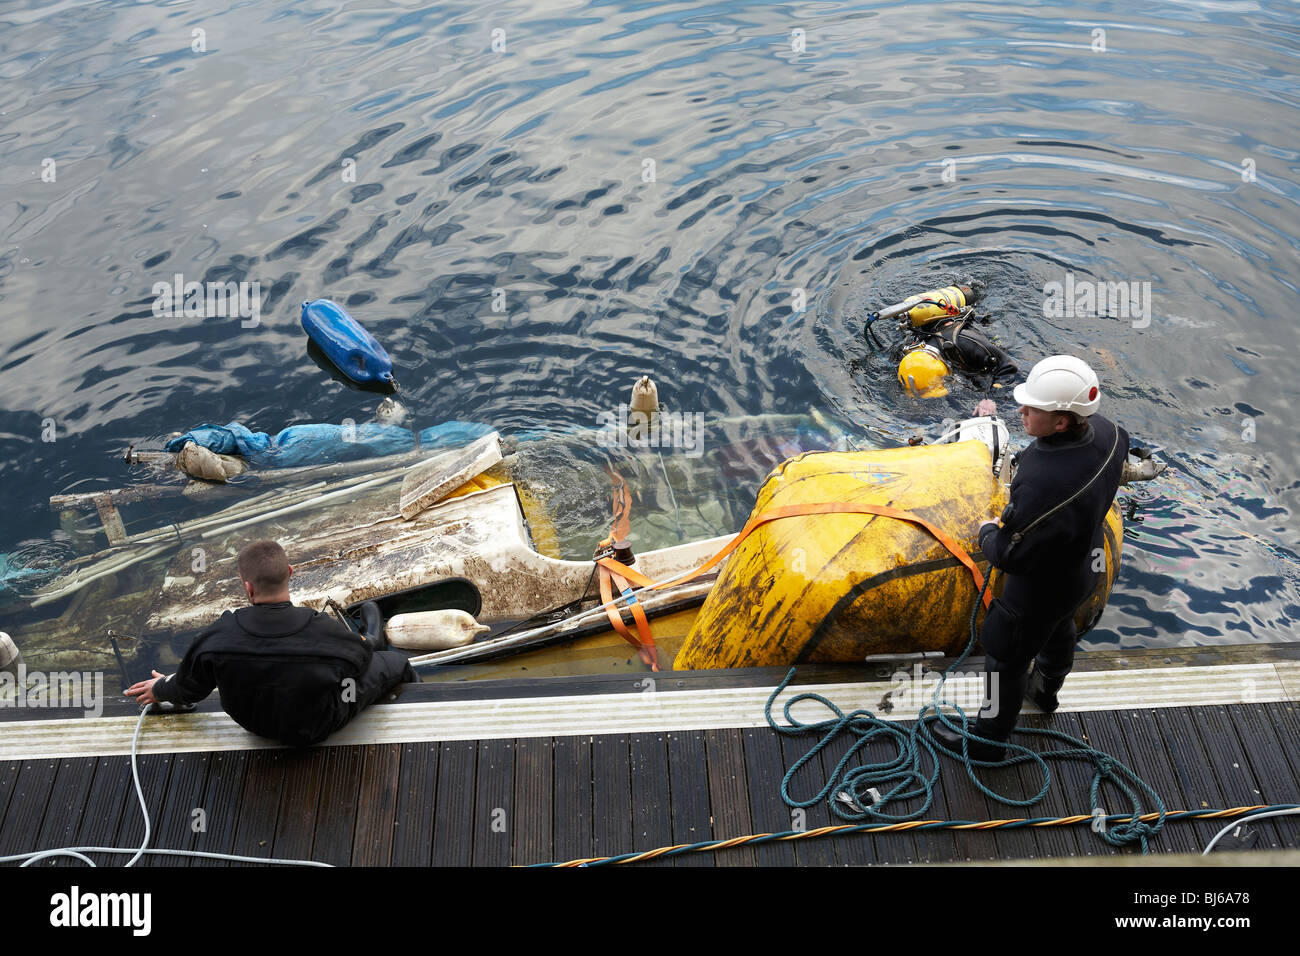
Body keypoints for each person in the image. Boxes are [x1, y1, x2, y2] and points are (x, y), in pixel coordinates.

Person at [931, 355, 1128, 760]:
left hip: (1039, 588)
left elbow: (1009, 556)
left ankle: (988, 744)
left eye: (1032, 408)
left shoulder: (1042, 474)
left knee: (1007, 656)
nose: (1020, 411)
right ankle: (1046, 692)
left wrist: (988, 531)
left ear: (1061, 421)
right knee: (1059, 629)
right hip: (1084, 568)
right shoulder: (1112, 434)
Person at [126, 539, 415, 746]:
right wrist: (364, 646)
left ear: (247, 586)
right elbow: (359, 662)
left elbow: (190, 689)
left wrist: (160, 688)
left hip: (255, 726)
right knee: (393, 662)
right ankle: (388, 658)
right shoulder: (322, 630)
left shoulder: (218, 636)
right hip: (318, 725)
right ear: (290, 573)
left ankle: (369, 640)